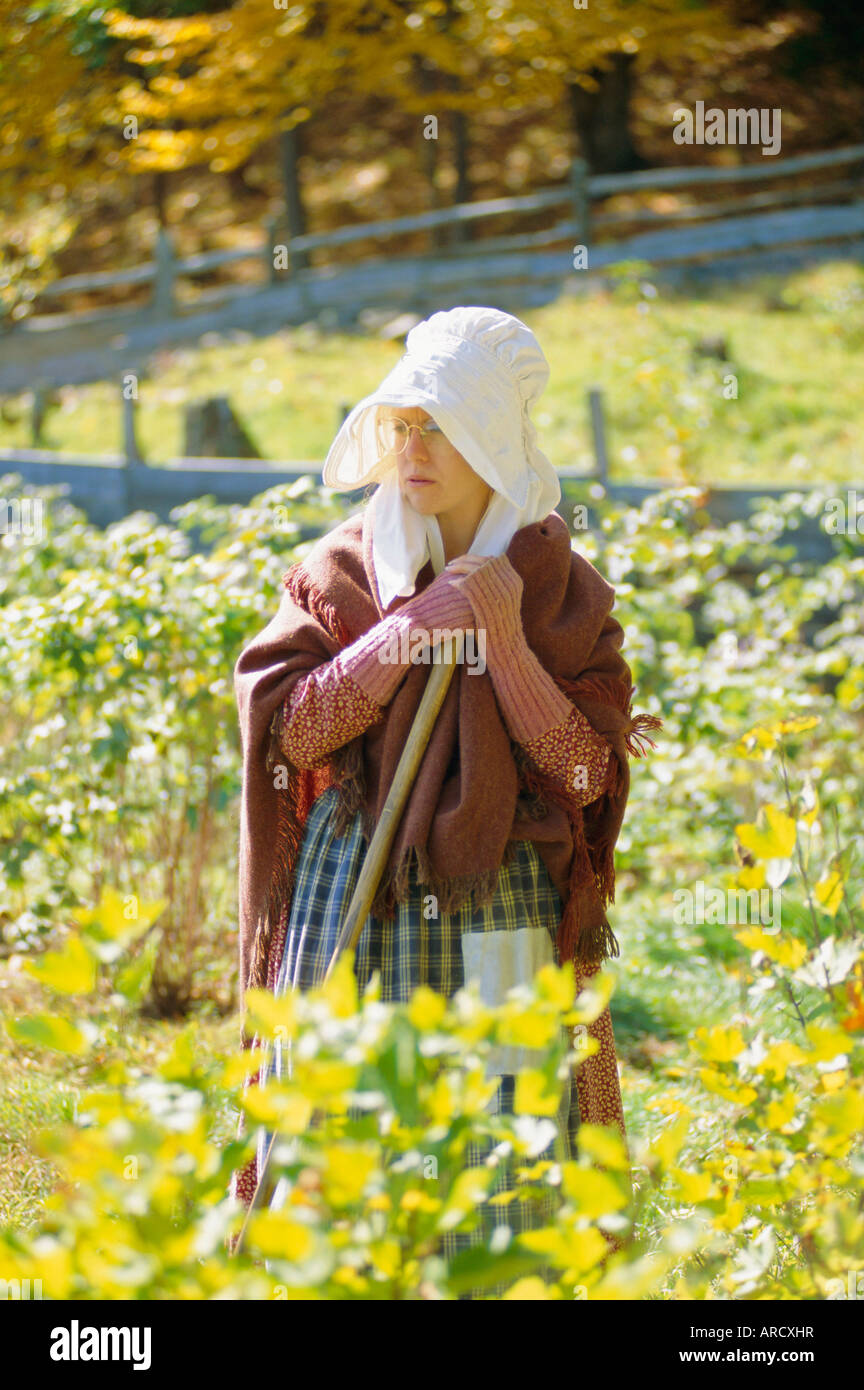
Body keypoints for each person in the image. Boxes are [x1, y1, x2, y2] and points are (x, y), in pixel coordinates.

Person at [231, 306, 660, 1282]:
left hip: (503, 901)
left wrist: (503, 638)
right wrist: (409, 630)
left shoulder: (558, 587)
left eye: (439, 426)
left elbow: (586, 774)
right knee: (343, 1143)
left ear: (493, 441)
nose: (411, 447)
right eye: (402, 424)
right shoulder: (343, 570)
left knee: (496, 1158)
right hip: (356, 894)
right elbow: (291, 736)